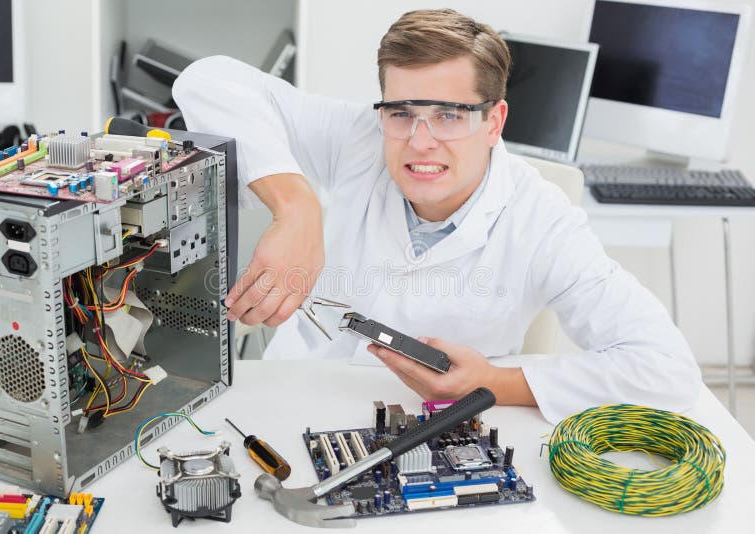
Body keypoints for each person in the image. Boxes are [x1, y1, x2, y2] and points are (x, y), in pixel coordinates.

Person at [173, 8, 700, 423]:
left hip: (443, 428)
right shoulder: (359, 136)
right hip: (294, 397)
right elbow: (204, 80)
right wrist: (296, 207)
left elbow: (667, 369)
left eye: (449, 115)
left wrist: (495, 383)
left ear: (494, 121)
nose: (419, 142)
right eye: (401, 112)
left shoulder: (543, 221)